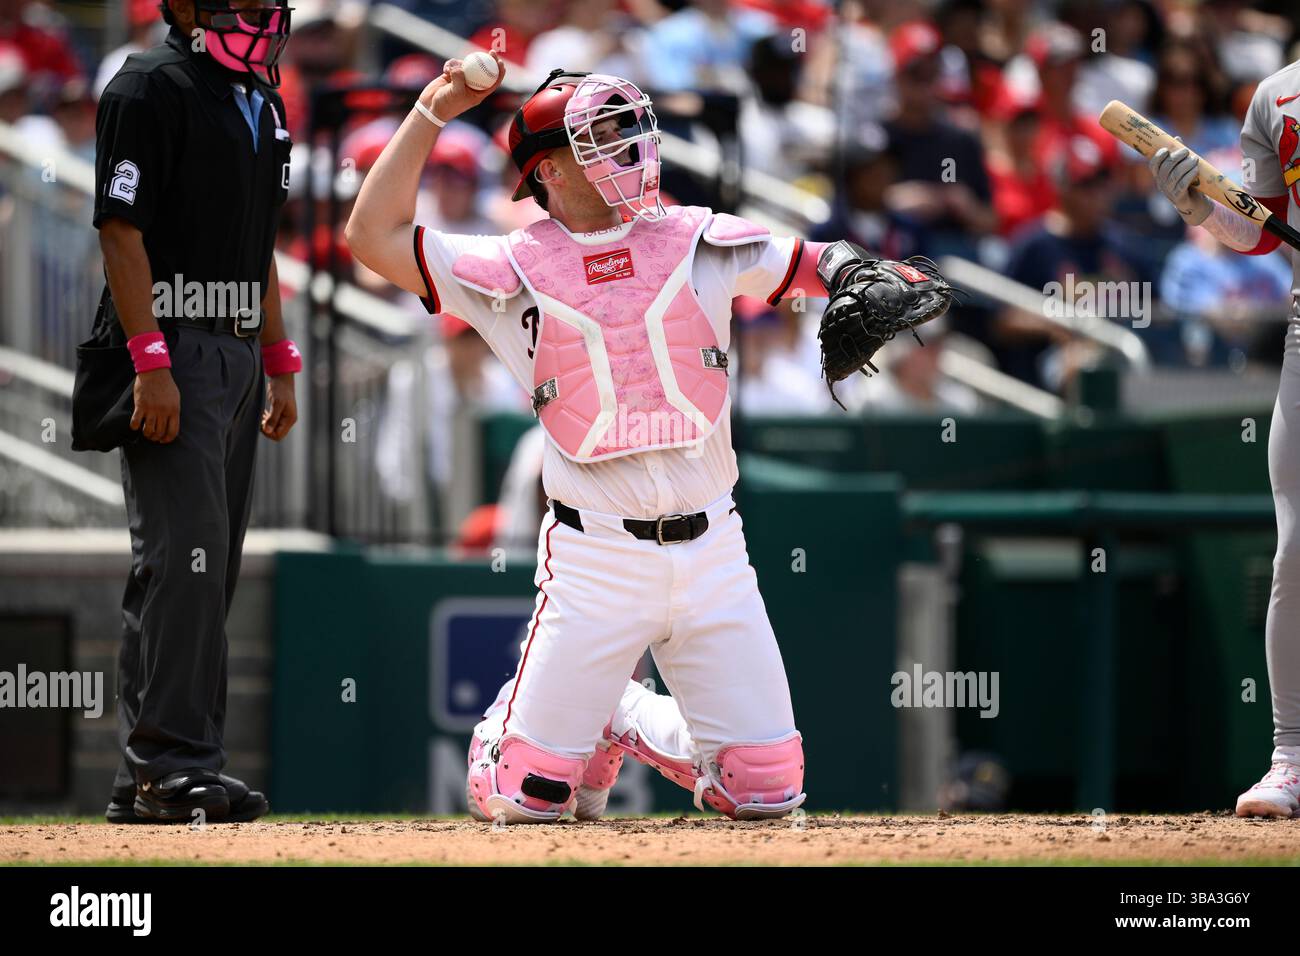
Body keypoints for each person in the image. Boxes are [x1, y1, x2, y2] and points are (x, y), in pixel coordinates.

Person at [346, 60, 834, 823]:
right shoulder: (510, 263)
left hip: (715, 548)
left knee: (766, 788)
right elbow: (371, 236)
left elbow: (811, 261)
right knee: (526, 798)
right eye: (599, 137)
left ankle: (625, 714)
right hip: (595, 556)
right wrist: (434, 110)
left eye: (626, 129)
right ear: (548, 170)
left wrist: (867, 271)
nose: (628, 146)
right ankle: (544, 739)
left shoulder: (693, 234)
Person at [86, 0, 300, 822]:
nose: (262, 17)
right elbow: (120, 231)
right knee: (182, 560)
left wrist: (277, 360)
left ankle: (165, 768)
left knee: (212, 565)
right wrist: (150, 361)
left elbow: (260, 242)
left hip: (237, 349)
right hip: (171, 342)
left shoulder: (264, 101)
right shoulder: (145, 86)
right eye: (242, 5)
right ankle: (168, 764)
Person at [1148, 56, 1300, 817]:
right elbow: (1266, 230)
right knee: (1297, 547)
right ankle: (1292, 756)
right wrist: (1199, 208)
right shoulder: (1278, 94)